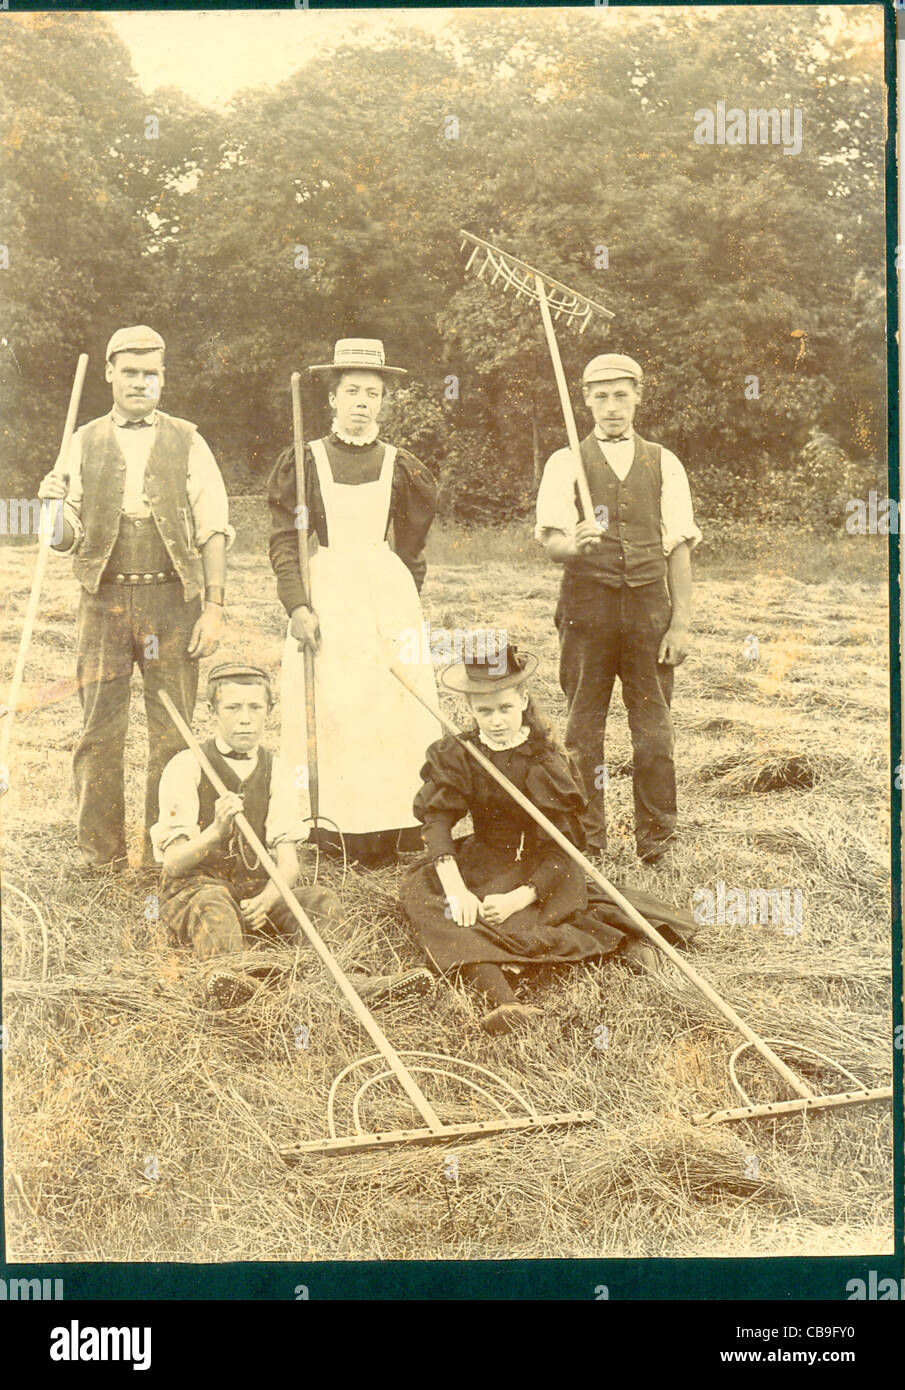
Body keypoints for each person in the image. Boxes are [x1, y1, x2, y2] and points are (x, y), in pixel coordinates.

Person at [399, 645, 697, 1034]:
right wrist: (455, 888)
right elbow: (437, 821)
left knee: (526, 921)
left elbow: (563, 849)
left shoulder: (546, 760)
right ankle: (506, 1004)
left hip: (540, 869)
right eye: (484, 711)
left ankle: (618, 948)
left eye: (505, 708)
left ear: (523, 699)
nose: (496, 721)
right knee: (433, 902)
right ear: (470, 708)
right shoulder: (460, 752)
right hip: (483, 858)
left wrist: (516, 898)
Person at [37, 326, 230, 871]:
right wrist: (50, 506)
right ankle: (99, 854)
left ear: (163, 378)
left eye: (151, 373)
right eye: (130, 372)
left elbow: (212, 529)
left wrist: (213, 608)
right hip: (102, 604)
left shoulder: (188, 439)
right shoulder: (83, 440)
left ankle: (160, 853)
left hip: (173, 603)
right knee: (99, 731)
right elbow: (66, 538)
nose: (141, 383)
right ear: (109, 375)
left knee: (172, 734)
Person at [151, 663, 433, 1010]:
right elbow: (174, 863)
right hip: (195, 888)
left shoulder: (278, 771)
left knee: (321, 899)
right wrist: (215, 833)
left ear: (269, 712)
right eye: (233, 708)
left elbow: (288, 866)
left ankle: (355, 982)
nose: (245, 719)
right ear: (213, 713)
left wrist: (269, 898)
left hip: (254, 890)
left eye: (255, 708)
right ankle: (240, 985)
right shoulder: (186, 765)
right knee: (213, 904)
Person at [267, 338, 440, 867]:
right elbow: (283, 540)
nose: (363, 401)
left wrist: (404, 603)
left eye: (373, 392)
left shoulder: (401, 465)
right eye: (352, 391)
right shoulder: (306, 461)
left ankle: (400, 826)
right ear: (333, 399)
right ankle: (334, 827)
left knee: (392, 704)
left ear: (383, 401)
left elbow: (411, 548)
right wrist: (298, 605)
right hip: (329, 589)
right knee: (335, 703)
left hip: (385, 592)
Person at [535, 353, 702, 864]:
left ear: (639, 395)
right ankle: (589, 843)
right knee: (583, 732)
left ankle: (658, 840)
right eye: (601, 395)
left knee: (654, 733)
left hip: (650, 611)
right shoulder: (566, 461)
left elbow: (679, 546)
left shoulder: (663, 460)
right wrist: (576, 543)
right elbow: (551, 543)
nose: (612, 406)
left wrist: (681, 622)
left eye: (621, 394)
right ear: (585, 400)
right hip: (587, 610)